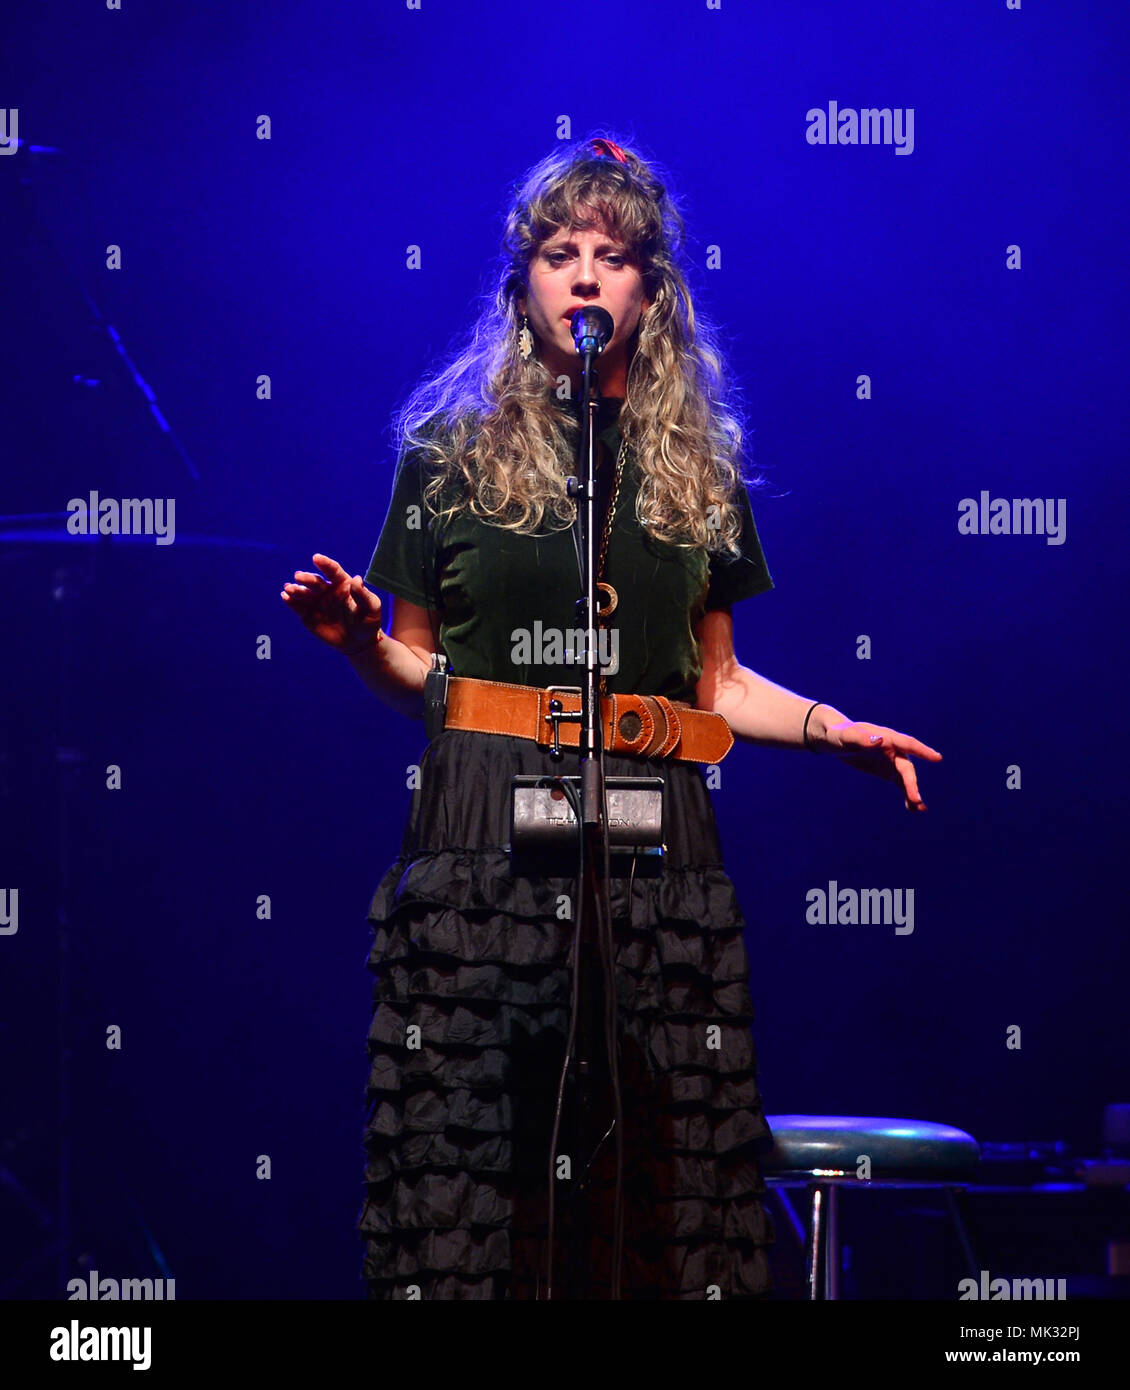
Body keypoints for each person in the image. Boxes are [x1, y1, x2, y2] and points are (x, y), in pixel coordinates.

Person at [281, 135, 941, 1300]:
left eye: (614, 255)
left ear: (653, 289)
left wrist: (833, 726)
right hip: (486, 823)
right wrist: (353, 638)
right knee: (472, 1160)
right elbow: (422, 673)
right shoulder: (447, 457)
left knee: (664, 1165)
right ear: (521, 282)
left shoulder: (697, 469)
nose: (584, 276)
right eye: (558, 252)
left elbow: (718, 684)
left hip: (655, 837)